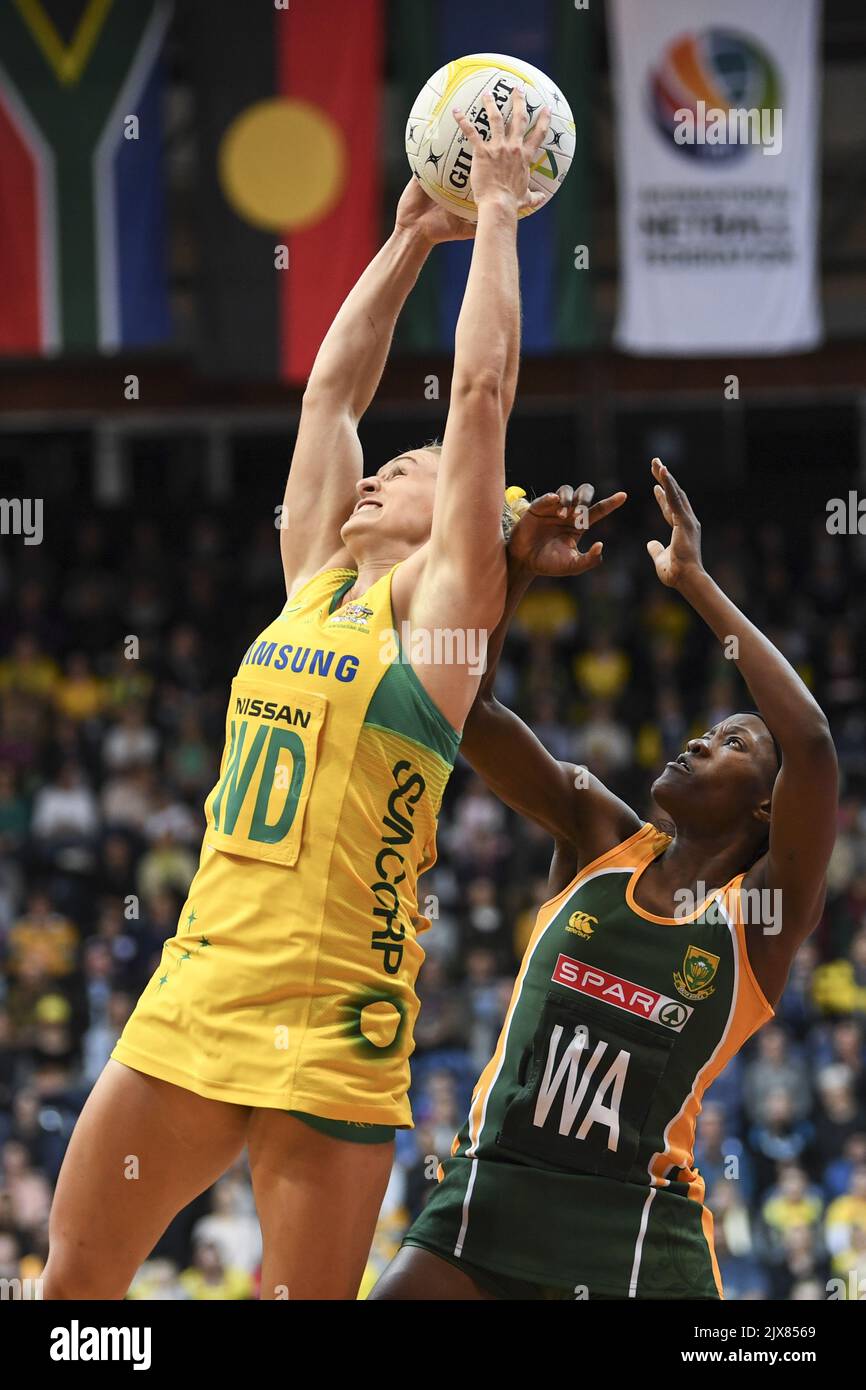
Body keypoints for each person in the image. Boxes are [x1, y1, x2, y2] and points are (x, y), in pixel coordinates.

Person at [43, 91, 552, 1301]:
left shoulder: (440, 624)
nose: (383, 470)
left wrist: (495, 216)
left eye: (412, 469)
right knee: (73, 1288)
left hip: (339, 1017)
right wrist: (408, 237)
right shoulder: (314, 577)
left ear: (469, 525)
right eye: (388, 463)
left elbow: (478, 401)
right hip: (200, 980)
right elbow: (330, 398)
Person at [372, 461, 838, 1300]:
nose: (699, 742)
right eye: (706, 730)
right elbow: (466, 708)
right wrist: (513, 572)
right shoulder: (594, 826)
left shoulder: (757, 922)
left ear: (768, 812)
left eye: (733, 744)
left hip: (637, 1230)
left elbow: (810, 746)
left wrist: (694, 583)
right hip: (493, 1191)